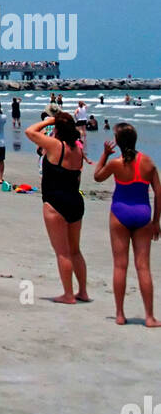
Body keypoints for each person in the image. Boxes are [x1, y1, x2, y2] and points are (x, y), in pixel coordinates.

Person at [93, 123, 160, 326]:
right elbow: (159, 193)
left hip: (120, 214)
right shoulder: (148, 162)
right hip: (142, 215)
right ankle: (149, 317)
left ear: (119, 143)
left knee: (120, 266)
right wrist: (156, 221)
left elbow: (97, 176)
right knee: (143, 267)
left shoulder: (115, 163)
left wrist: (104, 154)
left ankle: (120, 315)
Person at [25, 113, 90, 305]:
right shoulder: (78, 150)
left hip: (55, 202)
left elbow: (30, 131)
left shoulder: (55, 146)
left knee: (62, 252)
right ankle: (83, 291)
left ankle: (68, 295)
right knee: (75, 250)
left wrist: (48, 121)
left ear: (58, 128)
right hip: (75, 201)